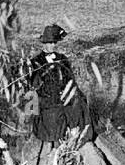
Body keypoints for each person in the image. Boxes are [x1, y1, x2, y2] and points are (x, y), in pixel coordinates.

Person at [28, 23, 94, 153]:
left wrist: (68, 91)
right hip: (47, 96)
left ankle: (78, 139)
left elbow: (70, 78)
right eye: (50, 42)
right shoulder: (36, 62)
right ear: (44, 43)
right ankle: (55, 147)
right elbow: (34, 85)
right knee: (53, 114)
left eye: (54, 42)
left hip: (64, 93)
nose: (52, 45)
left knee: (79, 104)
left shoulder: (62, 58)